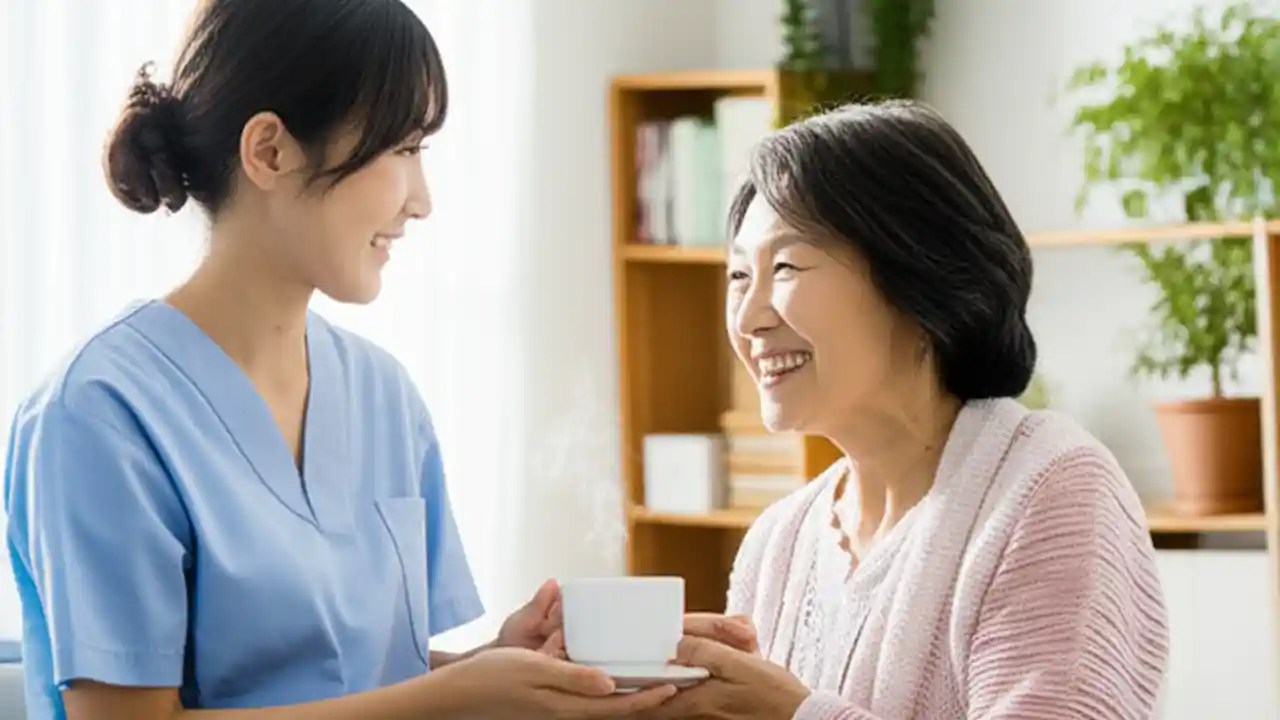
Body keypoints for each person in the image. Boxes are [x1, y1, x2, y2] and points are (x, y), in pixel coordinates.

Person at [1, 1, 679, 718]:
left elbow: (368, 677)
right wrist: (458, 697)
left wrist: (507, 667)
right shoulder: (99, 413)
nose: (422, 202)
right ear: (269, 151)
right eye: (405, 150)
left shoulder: (383, 395)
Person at [644, 100, 1171, 719]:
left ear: (917, 283)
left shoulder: (1051, 491)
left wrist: (795, 715)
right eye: (738, 277)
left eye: (785, 266)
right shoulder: (778, 543)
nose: (750, 317)